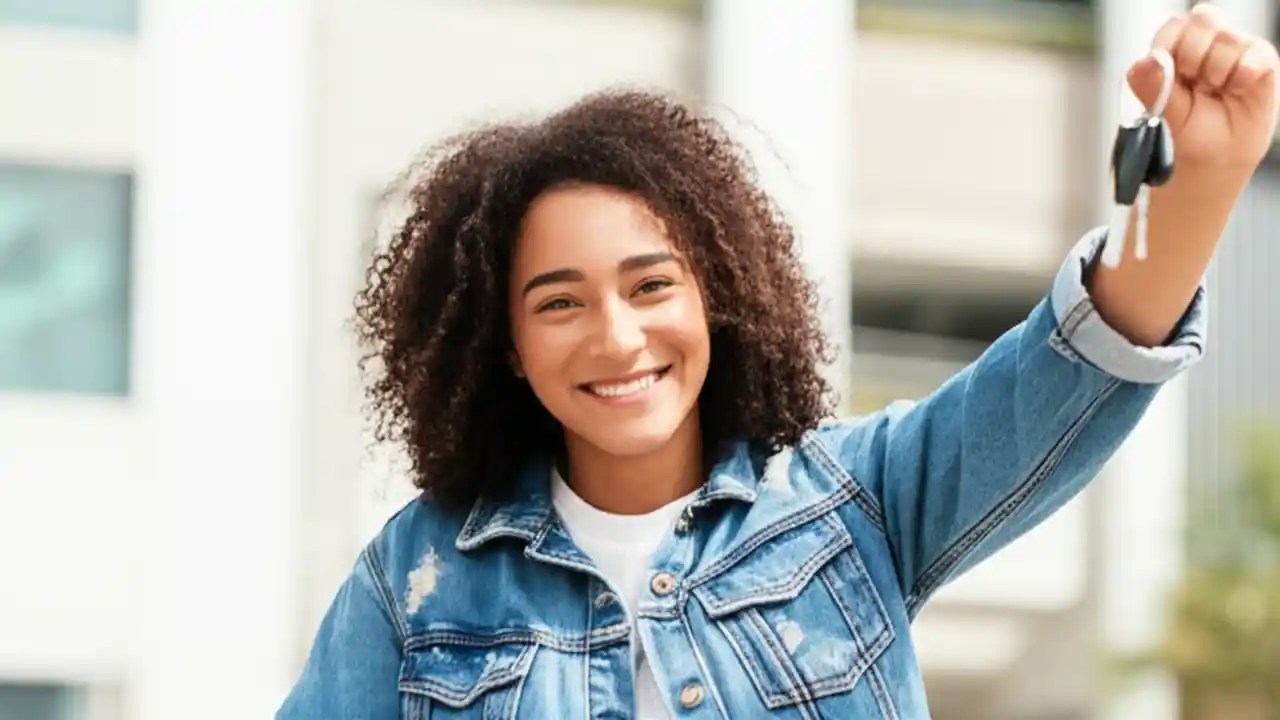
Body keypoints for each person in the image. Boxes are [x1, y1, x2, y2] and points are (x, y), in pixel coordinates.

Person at [279, 6, 1278, 718]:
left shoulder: (857, 504)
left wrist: (1196, 187)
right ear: (504, 344)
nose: (616, 336)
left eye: (649, 286)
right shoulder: (415, 580)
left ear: (712, 295)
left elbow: (1073, 370)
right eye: (558, 303)